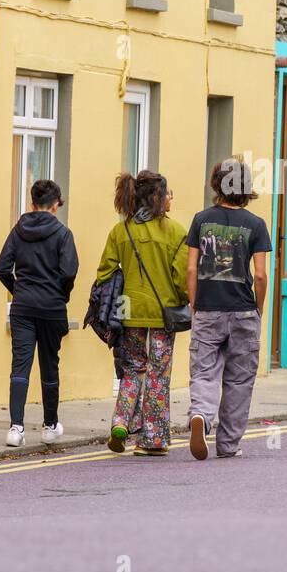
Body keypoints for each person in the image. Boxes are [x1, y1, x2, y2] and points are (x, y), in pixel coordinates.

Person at [96, 170, 189, 457]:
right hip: (163, 316)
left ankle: (121, 422)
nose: (172, 198)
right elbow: (182, 278)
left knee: (132, 371)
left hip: (129, 312)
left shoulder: (120, 231)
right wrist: (184, 299)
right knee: (158, 375)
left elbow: (105, 273)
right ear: (157, 197)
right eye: (169, 193)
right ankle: (152, 439)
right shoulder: (176, 232)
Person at [186, 159, 270, 460]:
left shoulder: (201, 220)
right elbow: (260, 275)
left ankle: (200, 416)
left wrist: (195, 305)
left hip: (208, 308)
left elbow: (191, 269)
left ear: (216, 184)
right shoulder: (257, 225)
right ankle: (228, 444)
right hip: (244, 310)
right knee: (239, 379)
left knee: (204, 372)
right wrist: (258, 308)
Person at [0, 179, 79, 448]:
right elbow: (68, 272)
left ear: (32, 204)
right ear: (55, 206)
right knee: (49, 366)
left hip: (23, 307)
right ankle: (49, 425)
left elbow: (1, 267)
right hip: (51, 308)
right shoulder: (63, 234)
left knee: (20, 365)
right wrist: (60, 295)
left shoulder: (18, 231)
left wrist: (18, 289)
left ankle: (15, 428)